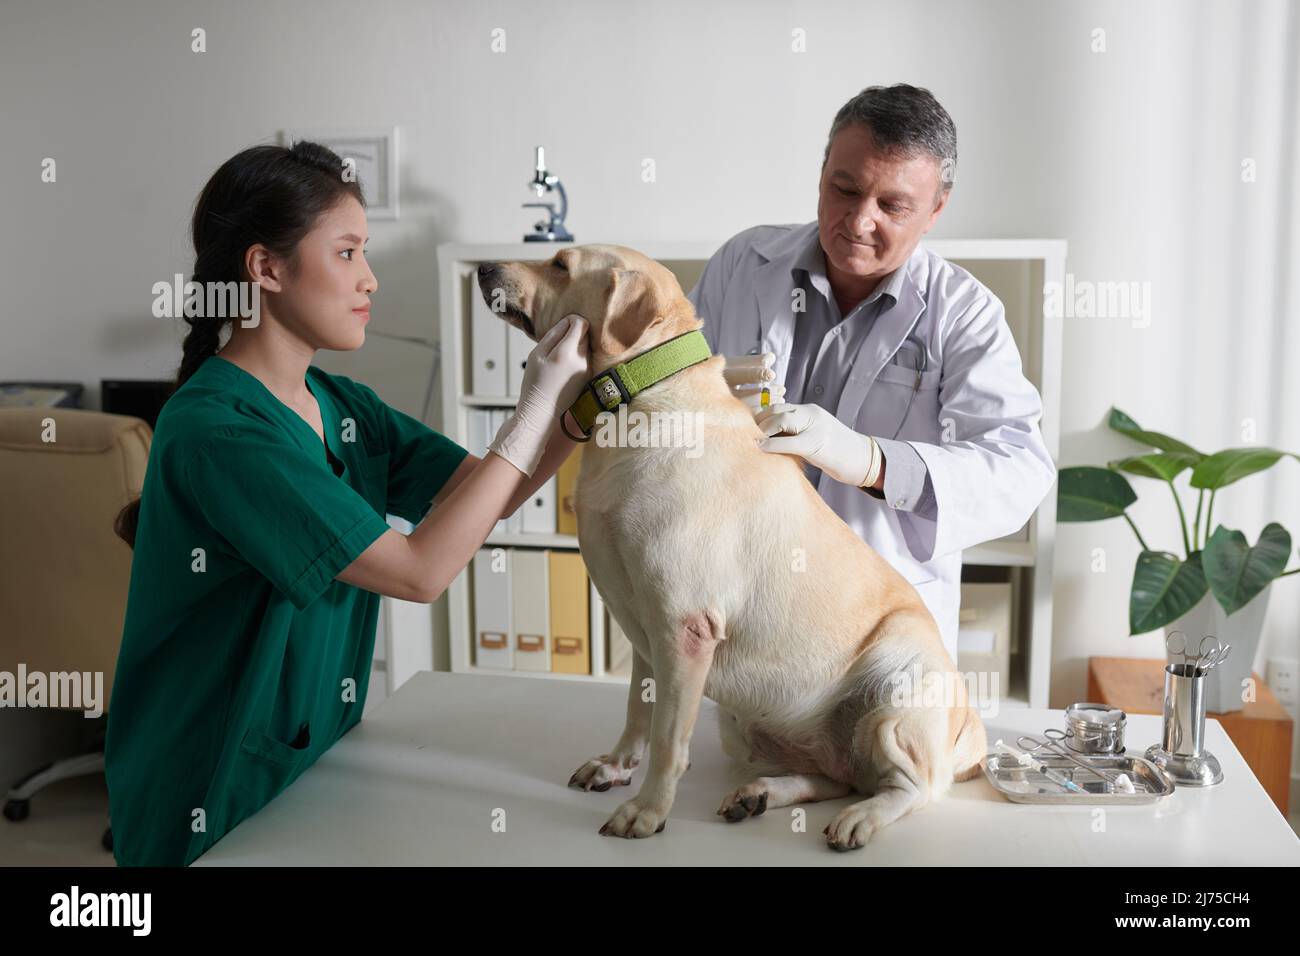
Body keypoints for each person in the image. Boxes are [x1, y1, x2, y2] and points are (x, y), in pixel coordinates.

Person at [106, 141, 589, 866]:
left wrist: (577, 412)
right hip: (210, 786)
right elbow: (419, 572)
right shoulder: (219, 432)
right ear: (266, 268)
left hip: (309, 766)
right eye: (347, 253)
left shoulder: (338, 404)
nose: (368, 280)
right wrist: (534, 407)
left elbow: (487, 495)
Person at [689, 84, 1056, 663]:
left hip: (873, 629)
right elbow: (679, 390)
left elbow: (1018, 470)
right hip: (742, 600)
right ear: (821, 176)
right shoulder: (744, 263)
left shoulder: (964, 314)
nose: (859, 221)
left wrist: (870, 461)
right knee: (742, 754)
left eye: (893, 206)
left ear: (936, 209)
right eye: (846, 189)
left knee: (870, 752)